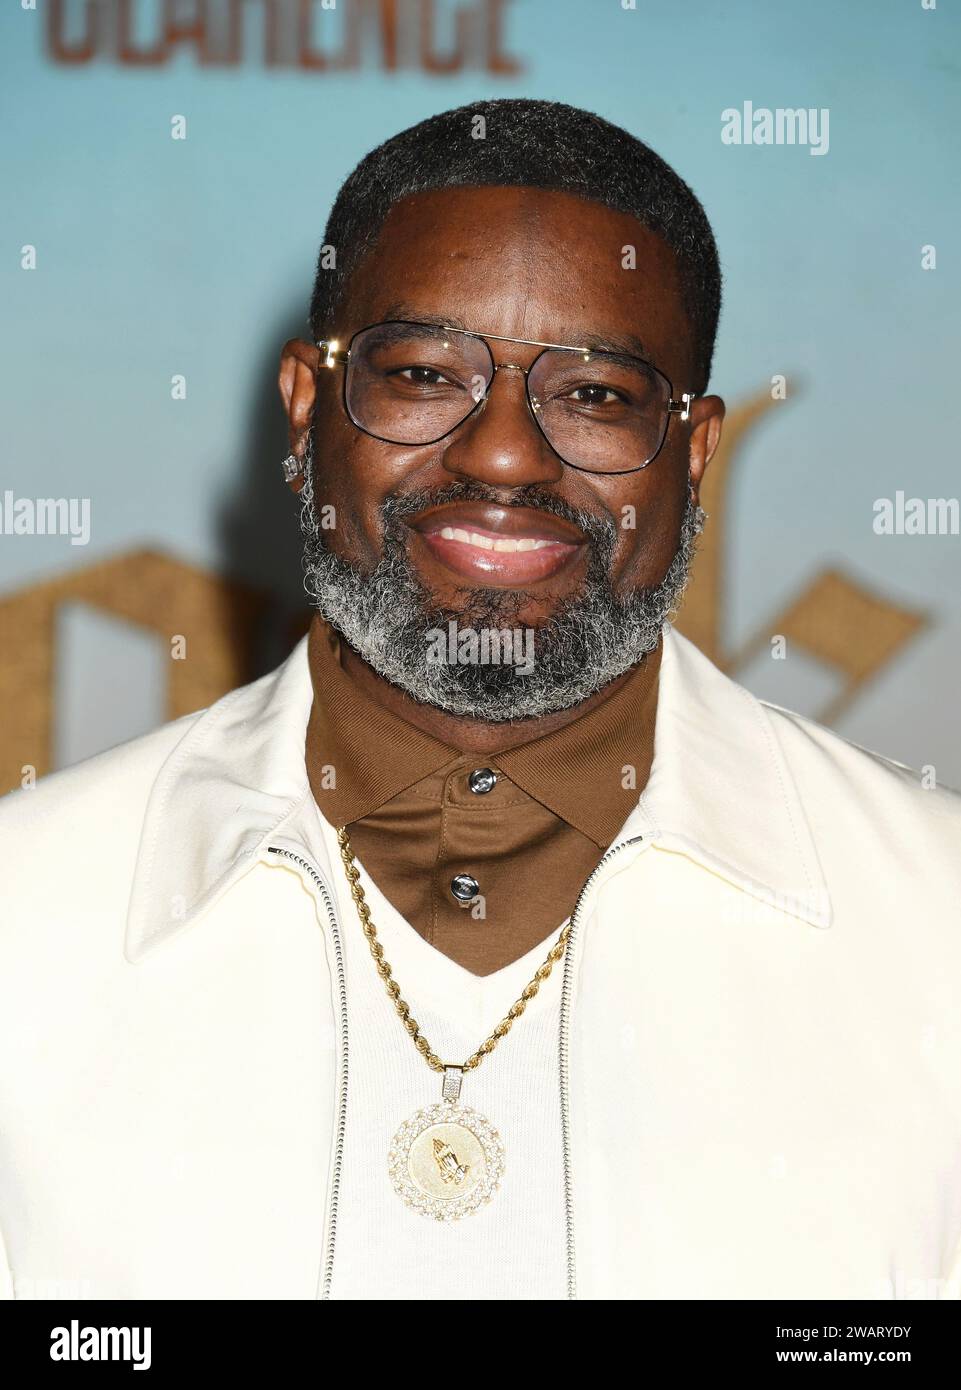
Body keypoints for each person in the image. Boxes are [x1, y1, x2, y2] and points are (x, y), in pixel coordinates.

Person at [1, 99, 959, 1302]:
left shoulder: (937, 925)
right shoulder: (24, 915)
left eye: (597, 393)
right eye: (419, 373)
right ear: (307, 406)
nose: (503, 455)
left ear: (694, 448)